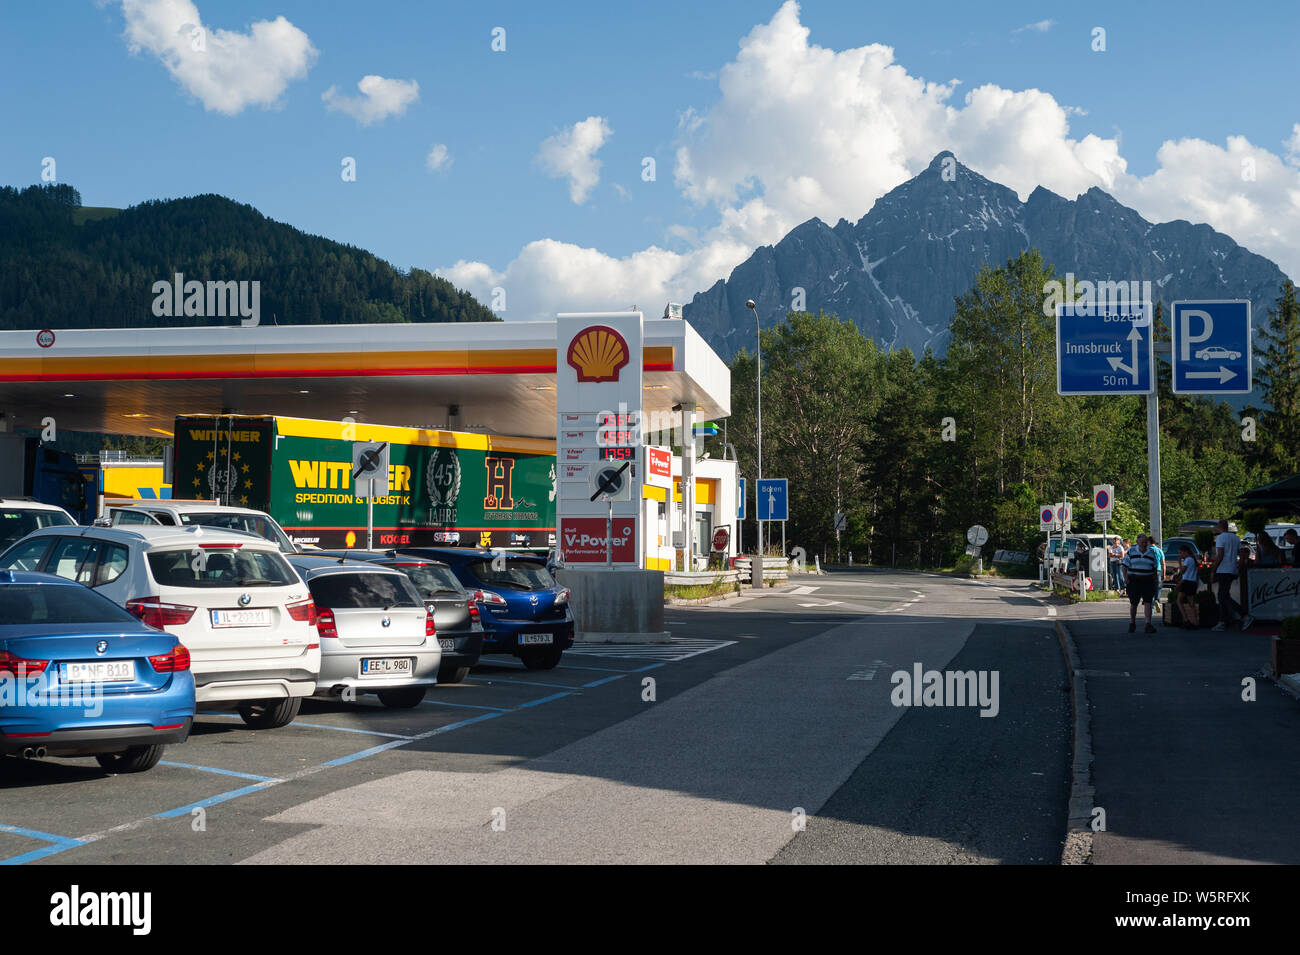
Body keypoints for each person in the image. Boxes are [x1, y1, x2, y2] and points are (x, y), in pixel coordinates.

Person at [1210, 519, 1244, 632]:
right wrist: (1240, 565)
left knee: (1223, 596)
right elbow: (1242, 553)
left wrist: (1213, 570)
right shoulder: (1235, 538)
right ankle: (1223, 621)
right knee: (1223, 595)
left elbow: (1220, 555)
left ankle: (1243, 615)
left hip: (1223, 569)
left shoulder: (1220, 538)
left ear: (1220, 527)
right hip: (1232, 569)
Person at [1122, 534, 1160, 634]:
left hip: (1147, 580)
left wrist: (1156, 580)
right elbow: (1124, 566)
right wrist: (1126, 578)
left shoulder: (1151, 553)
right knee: (1134, 603)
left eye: (1145, 542)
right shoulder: (1131, 551)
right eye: (1141, 542)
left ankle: (1148, 624)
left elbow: (1155, 568)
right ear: (1137, 542)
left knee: (1148, 602)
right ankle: (1132, 622)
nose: (1143, 544)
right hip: (1134, 580)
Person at [1176, 543, 1200, 629]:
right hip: (1192, 582)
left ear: (1185, 552)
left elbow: (1182, 572)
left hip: (1187, 583)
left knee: (1179, 601)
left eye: (1181, 553)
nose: (1180, 555)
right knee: (1191, 603)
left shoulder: (1187, 560)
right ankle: (1195, 622)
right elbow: (1188, 574)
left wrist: (1179, 562)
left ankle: (1186, 620)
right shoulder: (1192, 559)